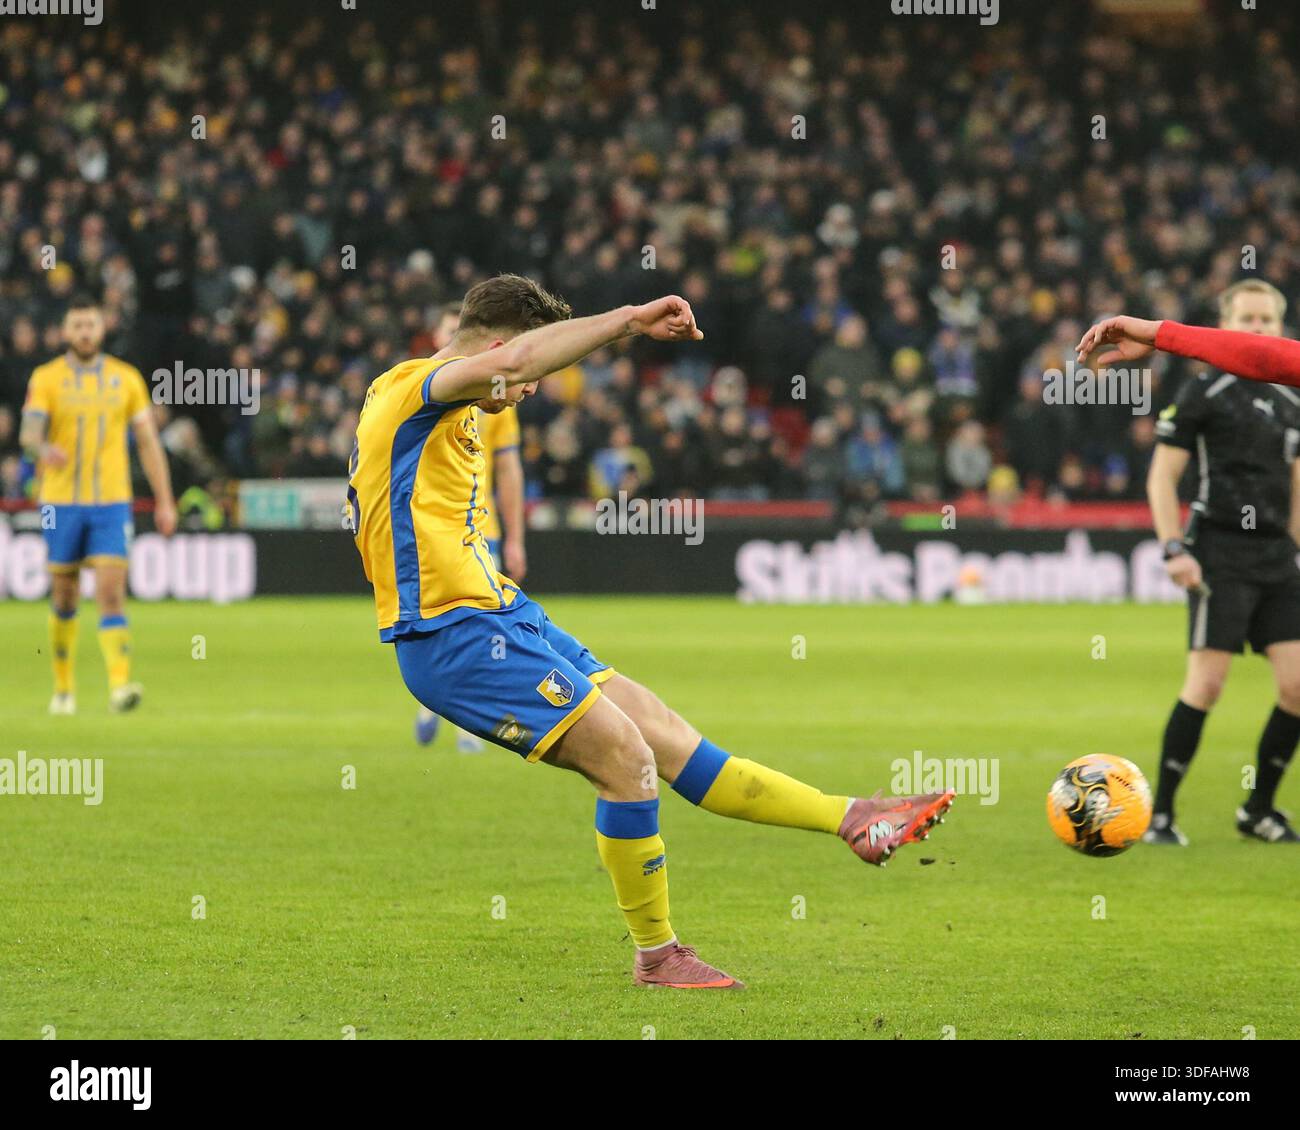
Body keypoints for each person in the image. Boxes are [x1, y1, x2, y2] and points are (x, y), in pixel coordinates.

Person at [348, 274, 954, 989]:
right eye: (532, 369)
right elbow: (512, 368)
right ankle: (658, 955)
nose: (532, 389)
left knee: (662, 734)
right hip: (450, 633)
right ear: (506, 343)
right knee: (627, 761)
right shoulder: (423, 388)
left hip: (503, 612)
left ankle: (852, 817)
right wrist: (631, 320)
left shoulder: (420, 393)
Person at [1077, 289, 1300, 844]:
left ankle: (1257, 809)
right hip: (1220, 549)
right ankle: (1162, 814)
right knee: (1207, 682)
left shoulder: (1290, 402)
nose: (1256, 328)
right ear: (1227, 325)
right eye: (1246, 319)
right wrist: (1174, 546)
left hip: (1277, 553)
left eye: (1265, 319)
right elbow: (1161, 476)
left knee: (1297, 687)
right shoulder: (1204, 392)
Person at [20, 297, 178, 714]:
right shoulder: (47, 378)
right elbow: (28, 435)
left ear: (101, 329)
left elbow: (148, 442)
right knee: (65, 595)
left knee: (111, 592)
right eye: (77, 325)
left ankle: (120, 687)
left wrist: (164, 500)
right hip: (60, 503)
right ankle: (64, 690)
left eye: (91, 324)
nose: (85, 332)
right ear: (65, 332)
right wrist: (43, 448)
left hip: (111, 502)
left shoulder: (125, 379)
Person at [413, 303, 528, 752]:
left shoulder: (498, 393)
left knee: (480, 627)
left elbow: (510, 469)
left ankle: (464, 723)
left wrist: (515, 537)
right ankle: (435, 703)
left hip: (481, 529)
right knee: (439, 624)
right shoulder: (421, 387)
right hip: (432, 528)